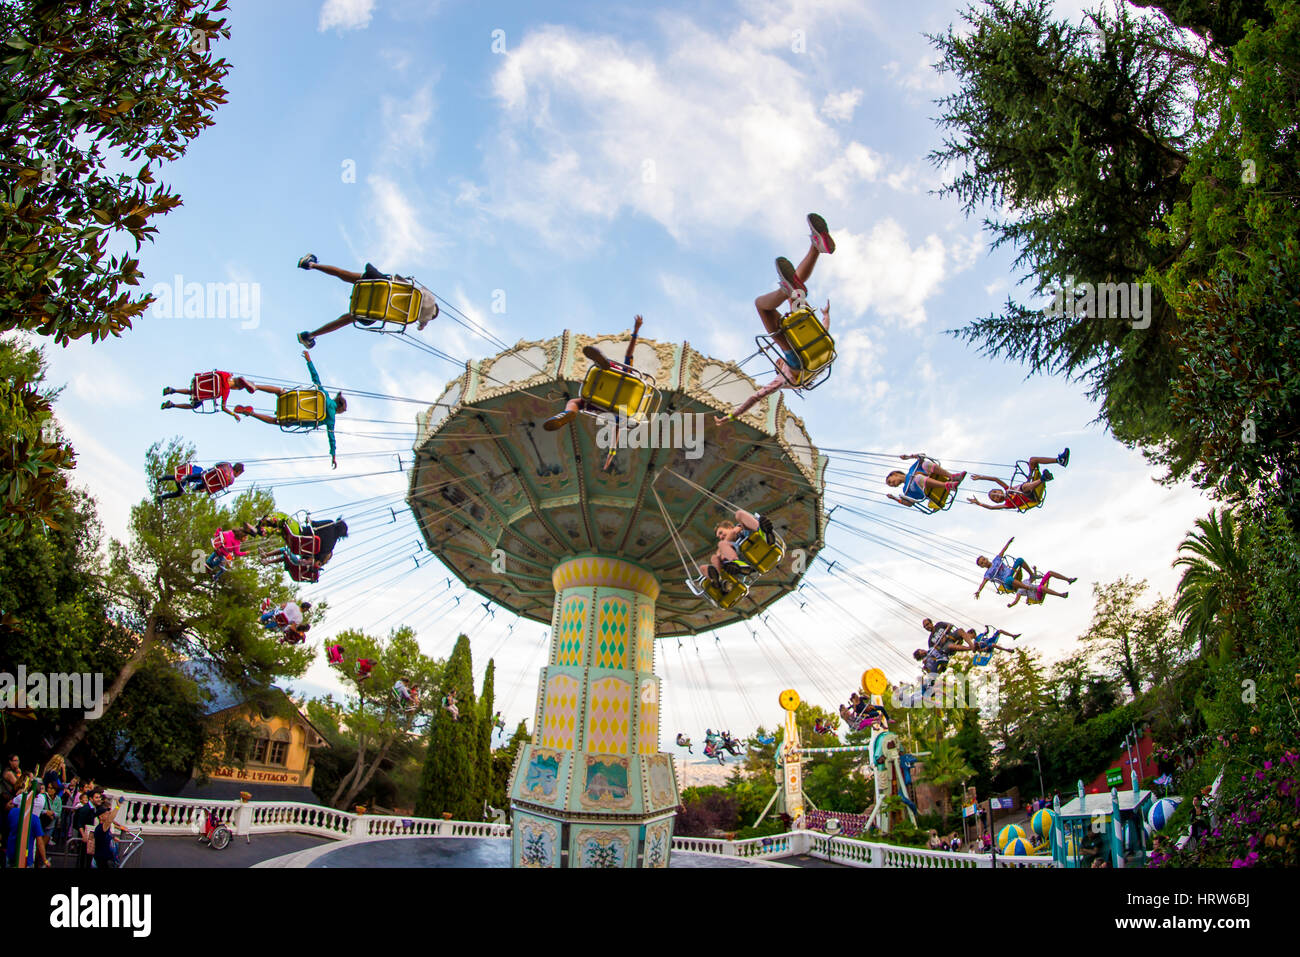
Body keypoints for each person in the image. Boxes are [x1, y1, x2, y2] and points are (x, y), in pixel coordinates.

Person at [716, 214, 836, 423]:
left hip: (814, 341)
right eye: (778, 364)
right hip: (806, 350)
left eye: (778, 363)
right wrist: (730, 416)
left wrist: (826, 317)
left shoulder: (805, 368)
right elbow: (756, 396)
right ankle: (785, 288)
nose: (778, 361)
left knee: (795, 293)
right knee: (762, 307)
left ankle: (815, 247)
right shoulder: (786, 377)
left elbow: (825, 330)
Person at [233, 351, 345, 469]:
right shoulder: (331, 419)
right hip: (293, 418)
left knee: (280, 391)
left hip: (291, 400)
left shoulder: (324, 394)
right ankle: (252, 413)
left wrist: (309, 361)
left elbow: (316, 378)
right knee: (275, 421)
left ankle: (256, 387)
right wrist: (333, 456)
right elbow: (331, 438)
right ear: (339, 409)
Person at [295, 256, 439, 346]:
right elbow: (421, 327)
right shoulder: (422, 319)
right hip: (377, 310)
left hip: (381, 286)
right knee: (348, 319)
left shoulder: (428, 296)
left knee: (347, 275)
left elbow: (415, 284)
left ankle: (310, 265)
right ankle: (310, 335)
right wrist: (423, 323)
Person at [544, 314, 645, 434]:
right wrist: (612, 450)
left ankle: (568, 412)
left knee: (576, 401)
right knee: (579, 399)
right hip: (615, 399)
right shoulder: (625, 411)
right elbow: (616, 428)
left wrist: (636, 331)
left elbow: (629, 354)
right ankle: (602, 364)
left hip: (606, 394)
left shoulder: (628, 380)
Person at [966, 449, 1069, 510]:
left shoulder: (1007, 488)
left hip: (1029, 485)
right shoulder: (1008, 504)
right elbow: (991, 508)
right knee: (1023, 488)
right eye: (994, 498)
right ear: (997, 502)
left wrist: (981, 477)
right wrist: (978, 503)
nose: (996, 495)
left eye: (995, 492)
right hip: (1030, 495)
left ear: (999, 490)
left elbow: (995, 479)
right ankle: (1043, 479)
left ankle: (1059, 460)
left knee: (1032, 460)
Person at [697, 509, 777, 587]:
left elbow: (733, 532)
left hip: (753, 542)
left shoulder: (738, 529)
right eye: (719, 536)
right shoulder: (725, 546)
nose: (721, 536)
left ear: (729, 527)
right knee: (704, 566)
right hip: (745, 561)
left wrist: (721, 549)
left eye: (721, 532)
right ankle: (719, 581)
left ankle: (764, 533)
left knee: (739, 514)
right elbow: (720, 554)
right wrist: (717, 557)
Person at [161, 370, 256, 418]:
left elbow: (212, 372)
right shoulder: (226, 391)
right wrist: (233, 414)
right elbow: (224, 408)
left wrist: (200, 375)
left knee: (192, 391)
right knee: (193, 405)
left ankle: (173, 390)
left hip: (199, 382)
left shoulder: (225, 374)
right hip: (201, 395)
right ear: (236, 387)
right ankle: (172, 405)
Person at [886, 454, 968, 509]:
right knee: (917, 478)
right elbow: (910, 503)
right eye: (891, 485)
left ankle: (952, 477)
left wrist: (908, 457)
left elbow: (922, 456)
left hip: (934, 477)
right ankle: (947, 485)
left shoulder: (912, 469)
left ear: (894, 474)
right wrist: (894, 498)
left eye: (890, 482)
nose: (892, 485)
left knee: (925, 464)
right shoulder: (905, 490)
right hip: (929, 492)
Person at [155, 461, 244, 501]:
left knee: (187, 477)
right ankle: (161, 497)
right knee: (180, 493)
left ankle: (162, 477)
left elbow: (216, 465)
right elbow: (218, 487)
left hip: (203, 474)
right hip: (205, 482)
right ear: (238, 472)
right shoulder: (230, 480)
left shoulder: (226, 465)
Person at [91, 797, 120, 868]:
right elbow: (110, 820)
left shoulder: (105, 828)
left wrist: (112, 838)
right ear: (100, 817)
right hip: (102, 859)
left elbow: (106, 836)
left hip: (105, 858)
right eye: (107, 814)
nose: (109, 815)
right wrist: (117, 807)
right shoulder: (101, 827)